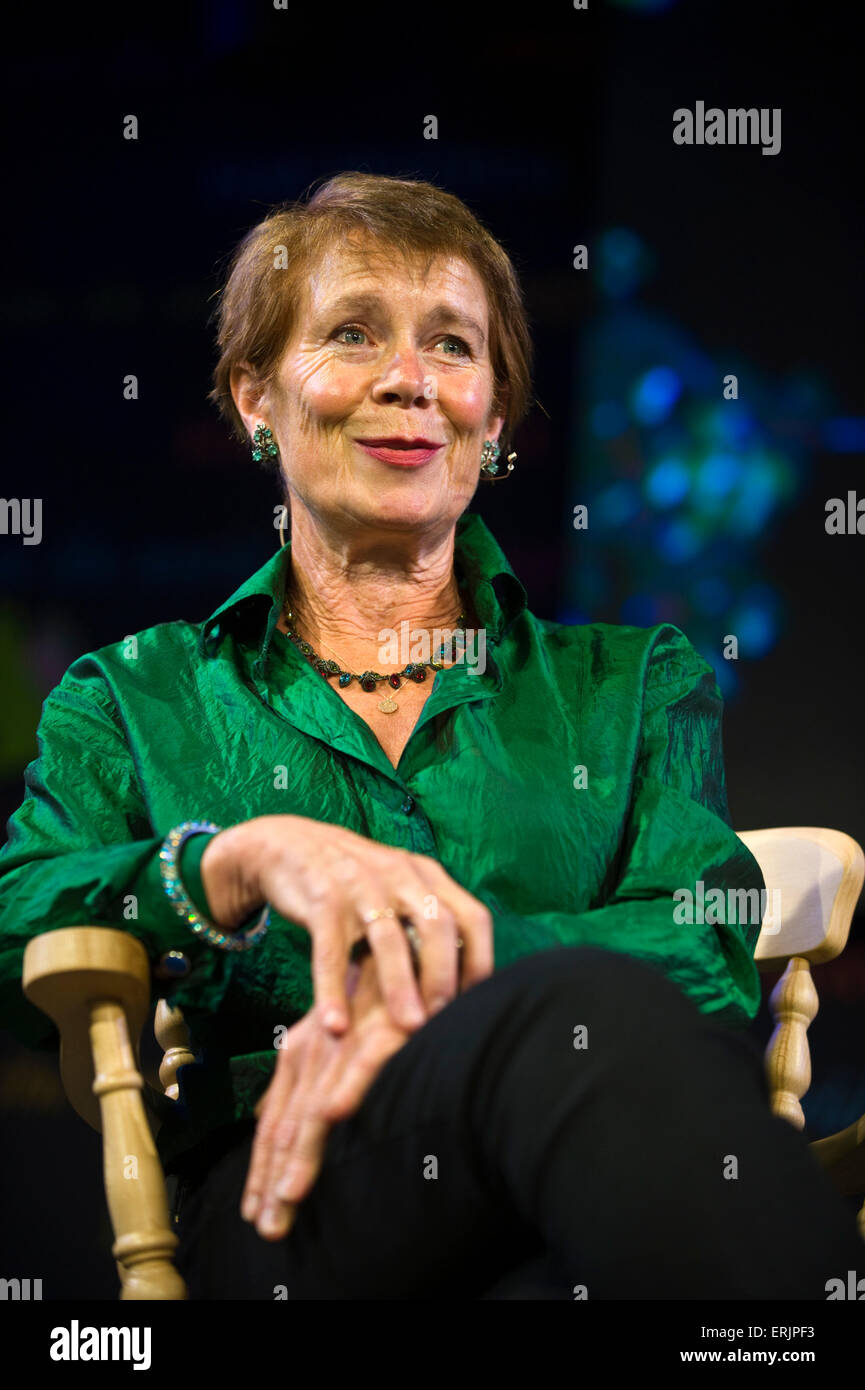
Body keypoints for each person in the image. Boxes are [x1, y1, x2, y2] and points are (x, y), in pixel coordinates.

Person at [0, 173, 860, 1300]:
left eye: (452, 347)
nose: (409, 379)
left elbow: (702, 949)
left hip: (580, 1213)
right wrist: (233, 860)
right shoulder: (133, 695)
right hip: (292, 1208)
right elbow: (29, 917)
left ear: (493, 420)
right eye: (352, 332)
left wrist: (418, 979)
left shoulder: (632, 686)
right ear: (254, 396)